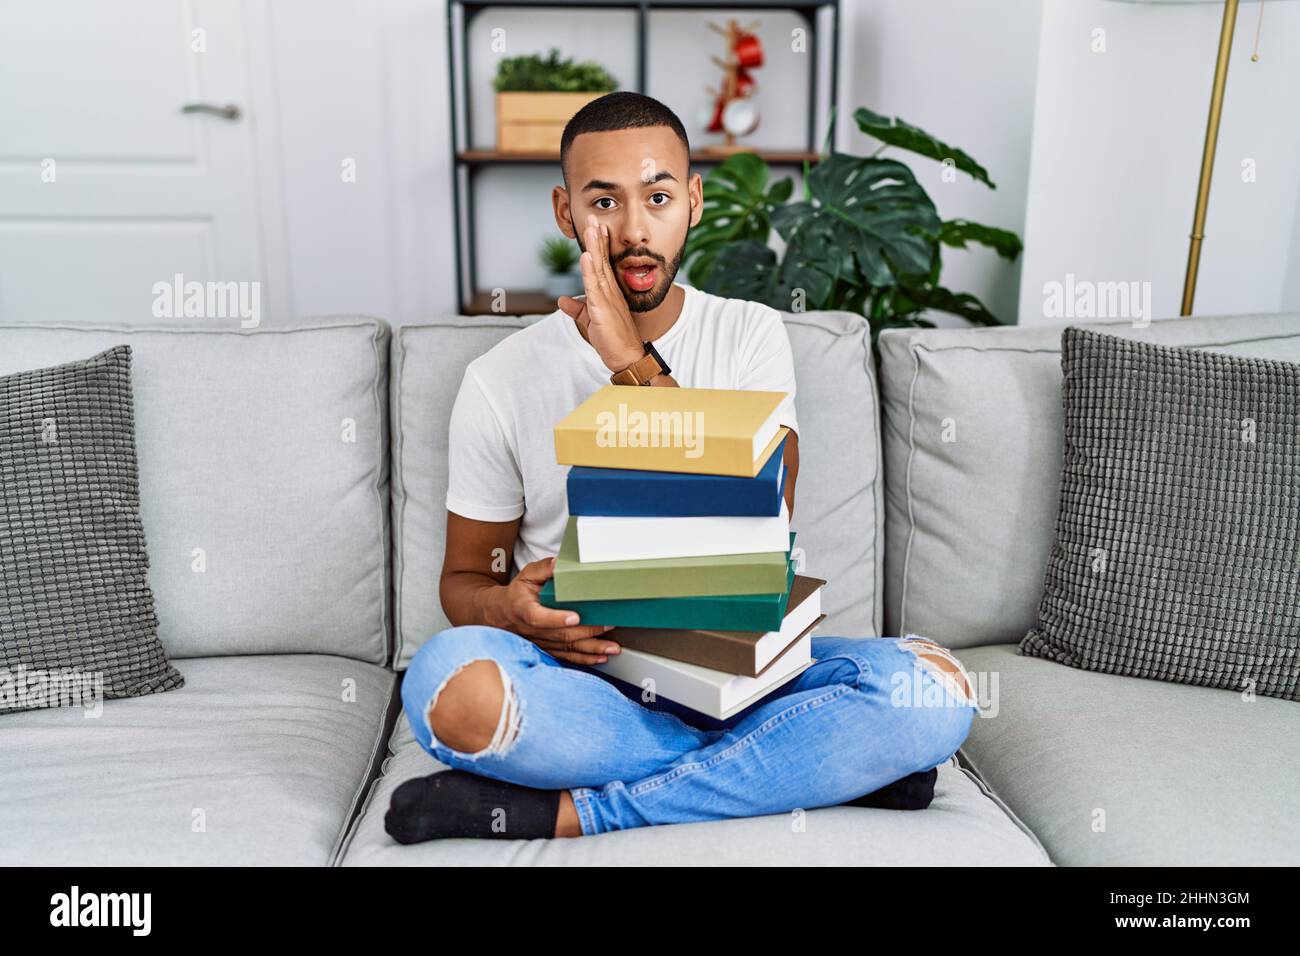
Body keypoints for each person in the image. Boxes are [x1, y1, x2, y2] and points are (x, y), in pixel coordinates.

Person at [384, 92, 978, 843]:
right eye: (605, 202)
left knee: (932, 692)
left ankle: (580, 811)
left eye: (658, 196)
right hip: (587, 680)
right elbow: (464, 581)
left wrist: (629, 364)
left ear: (692, 202)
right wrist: (507, 611)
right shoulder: (500, 378)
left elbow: (761, 516)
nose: (634, 230)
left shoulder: (749, 335)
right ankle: (807, 762)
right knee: (446, 686)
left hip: (741, 663)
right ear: (566, 213)